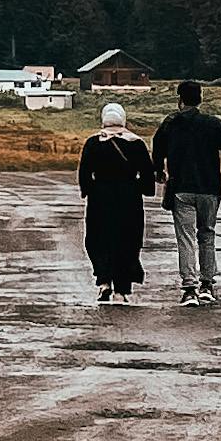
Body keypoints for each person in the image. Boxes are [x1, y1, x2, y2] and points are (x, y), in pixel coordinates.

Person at [151, 77, 221, 305]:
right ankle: (207, 284)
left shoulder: (170, 123)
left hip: (181, 189)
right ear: (200, 99)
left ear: (180, 100)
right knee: (207, 235)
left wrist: (158, 171)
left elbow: (157, 148)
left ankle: (189, 288)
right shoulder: (214, 124)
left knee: (185, 238)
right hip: (210, 188)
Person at [75, 98, 156, 302]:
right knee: (127, 240)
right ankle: (122, 289)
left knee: (98, 238)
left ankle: (103, 281)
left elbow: (84, 172)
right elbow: (147, 176)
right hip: (129, 199)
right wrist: (140, 189)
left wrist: (89, 191)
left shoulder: (93, 143)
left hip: (100, 198)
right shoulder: (136, 143)